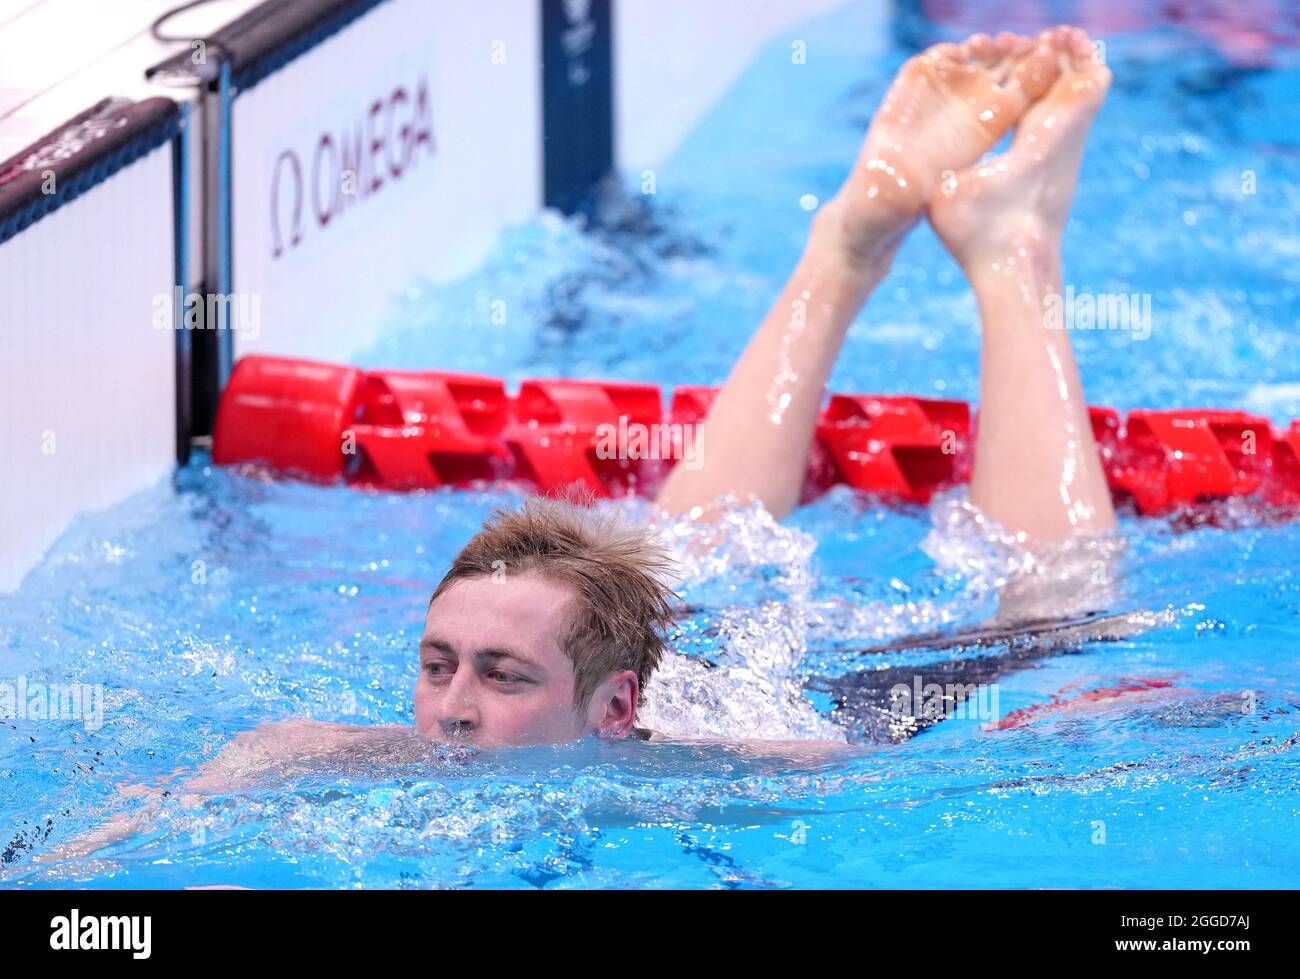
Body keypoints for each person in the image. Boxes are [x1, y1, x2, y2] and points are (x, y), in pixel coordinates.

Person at [55, 27, 1119, 854]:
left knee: (1058, 608)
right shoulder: (353, 754)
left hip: (773, 694)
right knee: (691, 549)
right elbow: (207, 783)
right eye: (437, 664)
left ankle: (1012, 248)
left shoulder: (751, 765)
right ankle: (847, 240)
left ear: (614, 713)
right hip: (657, 656)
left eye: (501, 676)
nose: (452, 712)